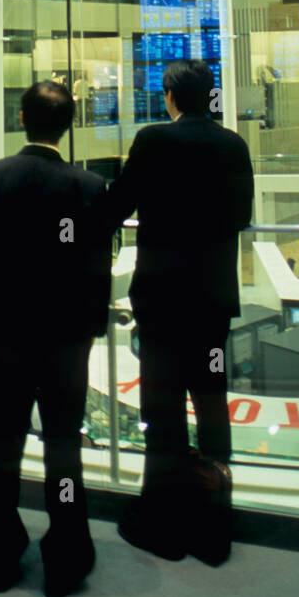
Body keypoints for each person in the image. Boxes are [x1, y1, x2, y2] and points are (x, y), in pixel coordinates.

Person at [0, 81, 111, 597]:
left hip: (4, 338)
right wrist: (90, 332)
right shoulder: (89, 188)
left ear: (22, 119)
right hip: (66, 345)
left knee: (3, 449)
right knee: (63, 452)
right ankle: (65, 561)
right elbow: (96, 272)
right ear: (67, 126)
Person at [104, 59, 254, 566]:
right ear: (208, 96)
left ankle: (164, 526)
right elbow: (242, 216)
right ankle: (215, 531)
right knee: (212, 404)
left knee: (163, 411)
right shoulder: (233, 144)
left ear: (169, 96)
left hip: (163, 305)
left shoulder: (153, 142)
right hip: (211, 305)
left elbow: (115, 209)